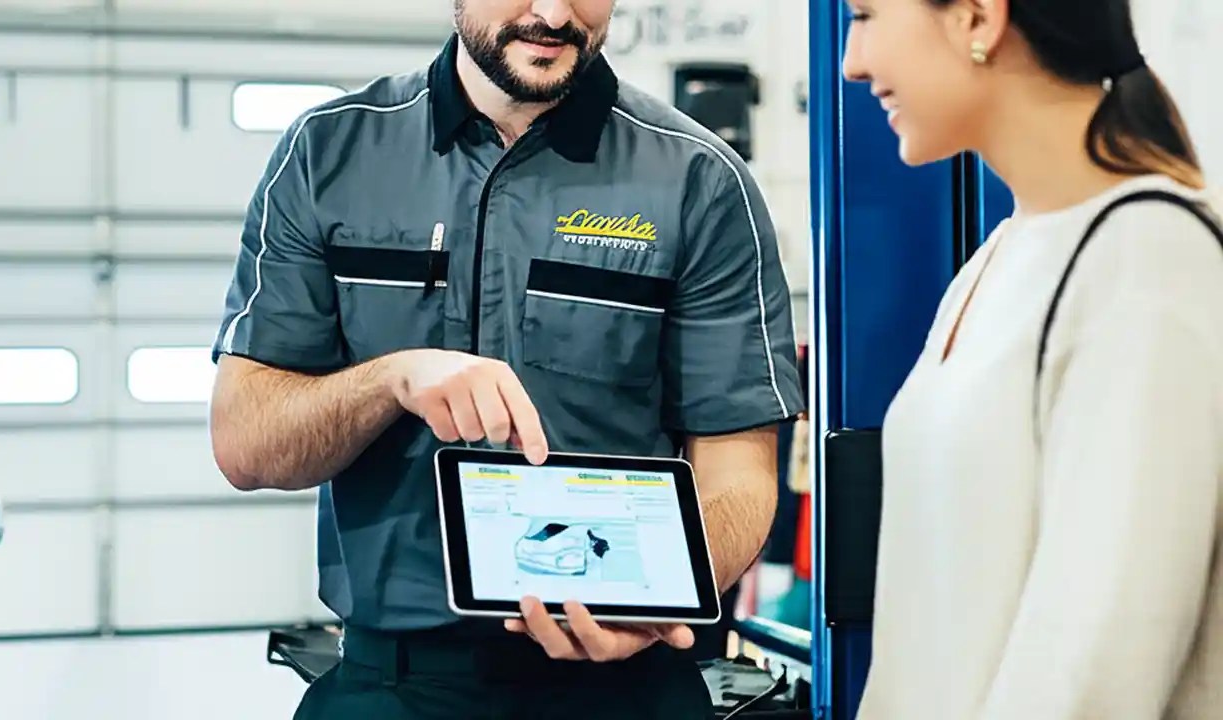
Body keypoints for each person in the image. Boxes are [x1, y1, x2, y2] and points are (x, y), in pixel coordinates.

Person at [207, 1, 804, 718]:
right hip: (393, 685)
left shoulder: (701, 182)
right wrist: (392, 380)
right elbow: (247, 445)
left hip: (623, 686)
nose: (553, 14)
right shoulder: (329, 153)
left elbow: (739, 470)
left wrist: (649, 595)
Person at [840, 0, 1223, 718]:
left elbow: (1098, 670)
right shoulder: (1001, 258)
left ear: (978, 19)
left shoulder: (1147, 258)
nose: (852, 62)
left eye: (866, 15)